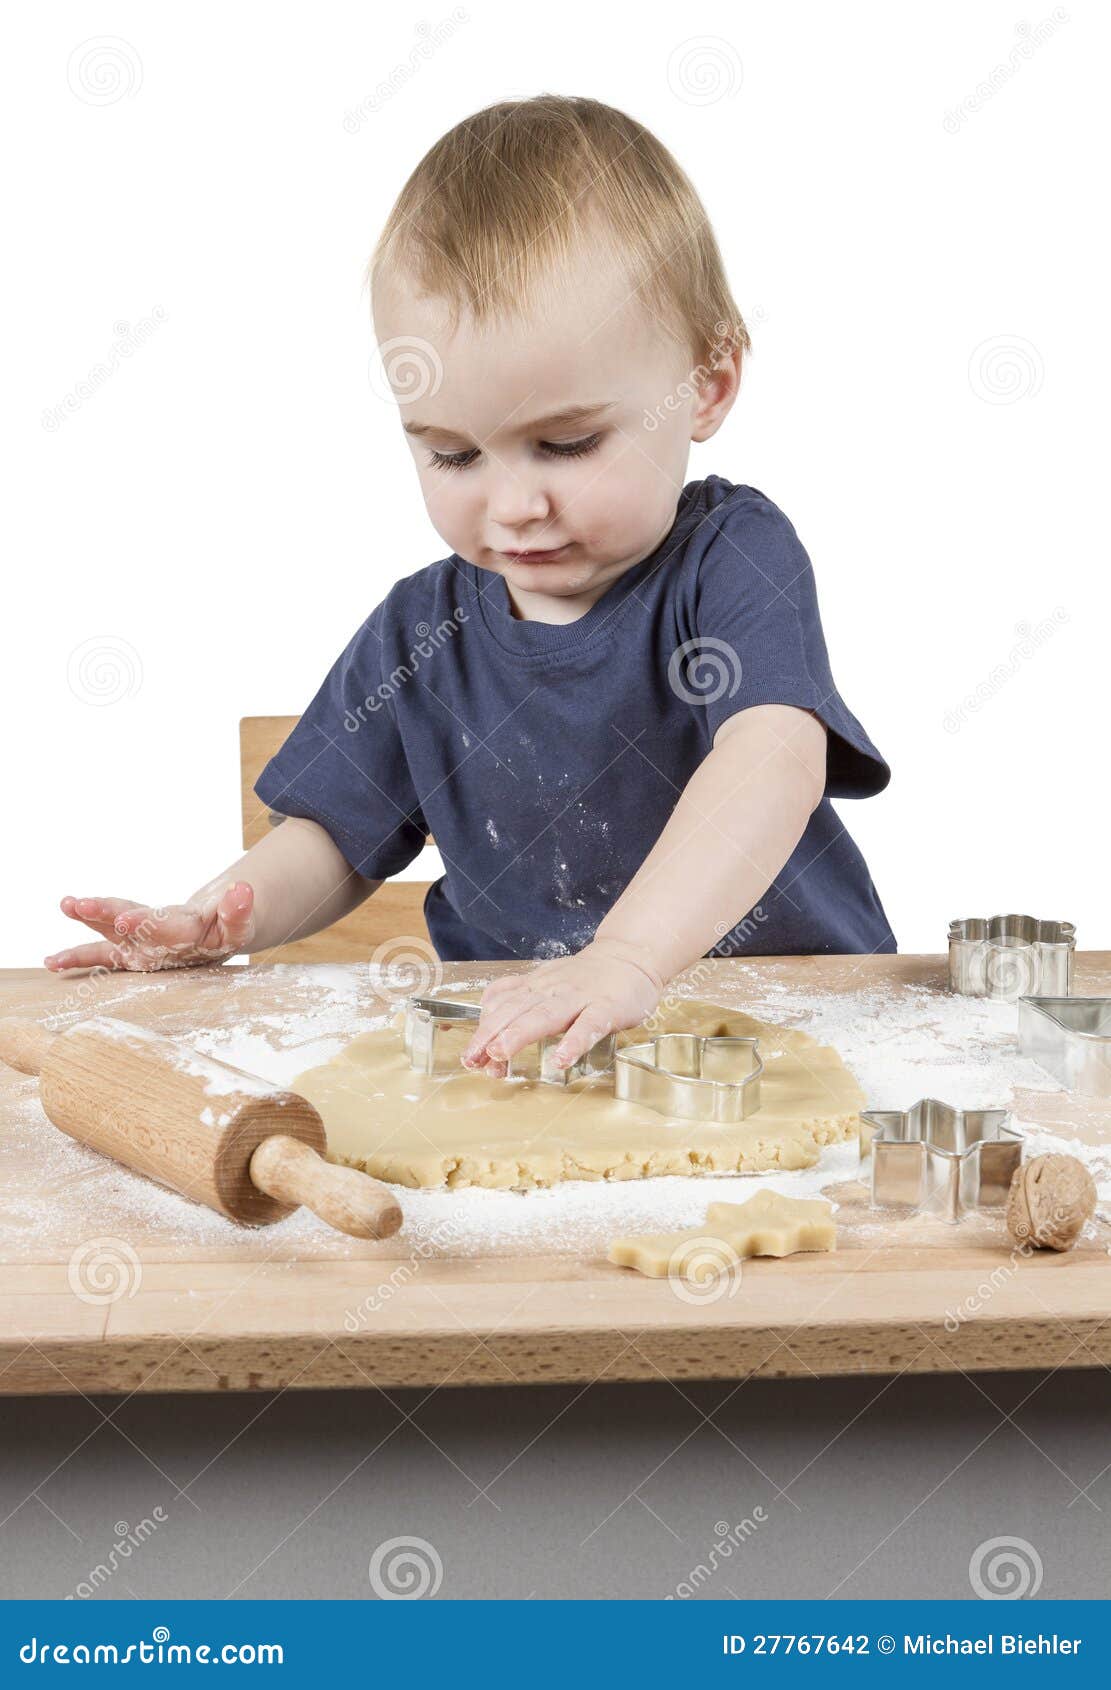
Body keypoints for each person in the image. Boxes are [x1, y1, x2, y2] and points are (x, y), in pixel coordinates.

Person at [46, 94, 895, 1078]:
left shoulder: (730, 557)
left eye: (565, 443)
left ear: (704, 385)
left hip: (799, 1037)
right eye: (453, 456)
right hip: (538, 1056)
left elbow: (771, 758)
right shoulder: (421, 633)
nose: (513, 504)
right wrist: (219, 915)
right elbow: (330, 839)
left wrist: (623, 958)